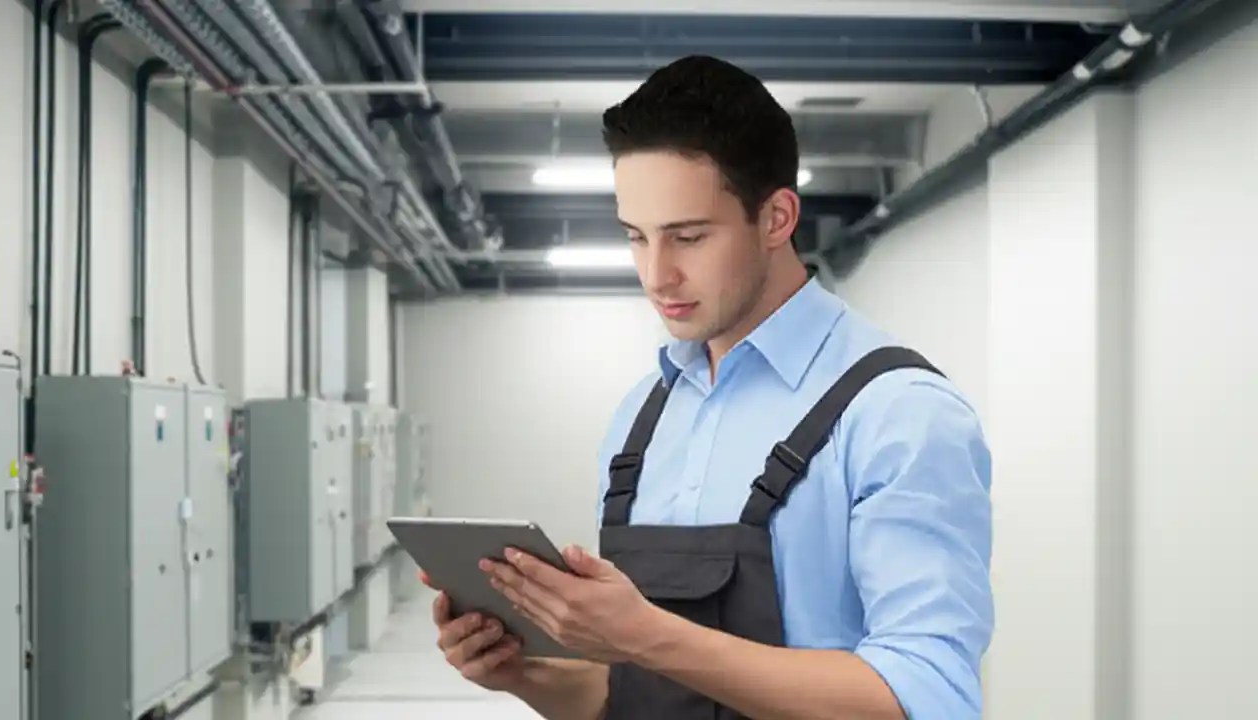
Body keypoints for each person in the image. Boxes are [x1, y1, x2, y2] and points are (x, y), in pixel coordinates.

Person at [422, 54, 994, 720]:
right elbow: (637, 695)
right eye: (636, 238)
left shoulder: (898, 412)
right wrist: (521, 675)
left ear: (777, 218)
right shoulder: (644, 417)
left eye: (688, 237)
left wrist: (644, 634)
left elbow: (929, 698)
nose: (656, 274)